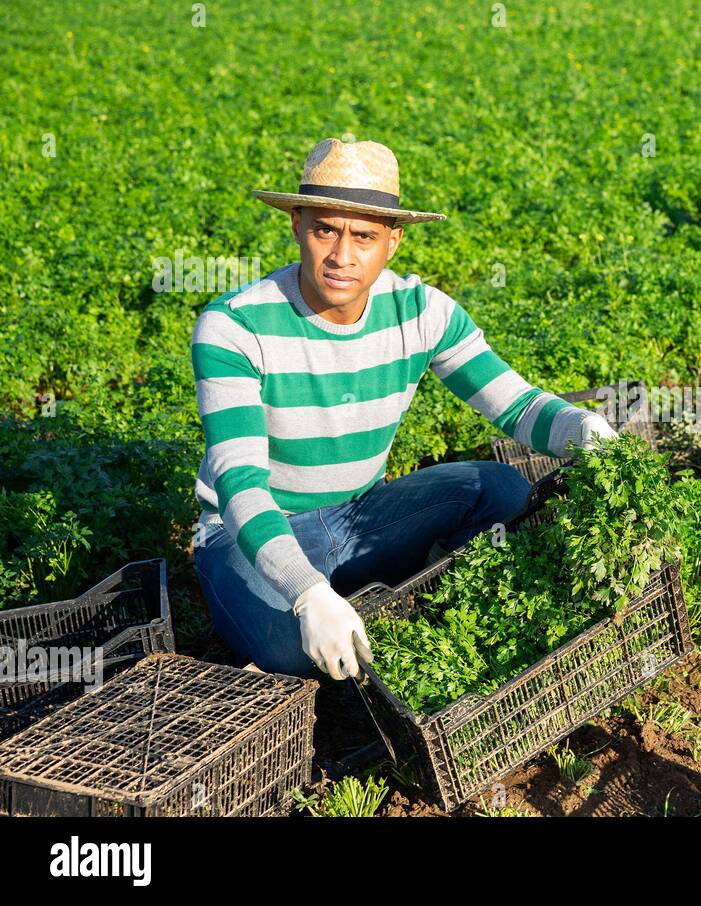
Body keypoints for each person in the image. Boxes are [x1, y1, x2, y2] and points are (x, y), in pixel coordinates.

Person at [191, 137, 617, 681]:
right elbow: (240, 484)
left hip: (361, 514)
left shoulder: (422, 312)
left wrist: (582, 430)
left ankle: (425, 603)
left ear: (393, 241)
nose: (342, 256)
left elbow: (516, 406)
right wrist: (306, 594)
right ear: (297, 223)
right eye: (326, 229)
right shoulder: (235, 328)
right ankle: (339, 603)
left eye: (364, 237)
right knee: (291, 654)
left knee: (501, 489)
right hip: (244, 534)